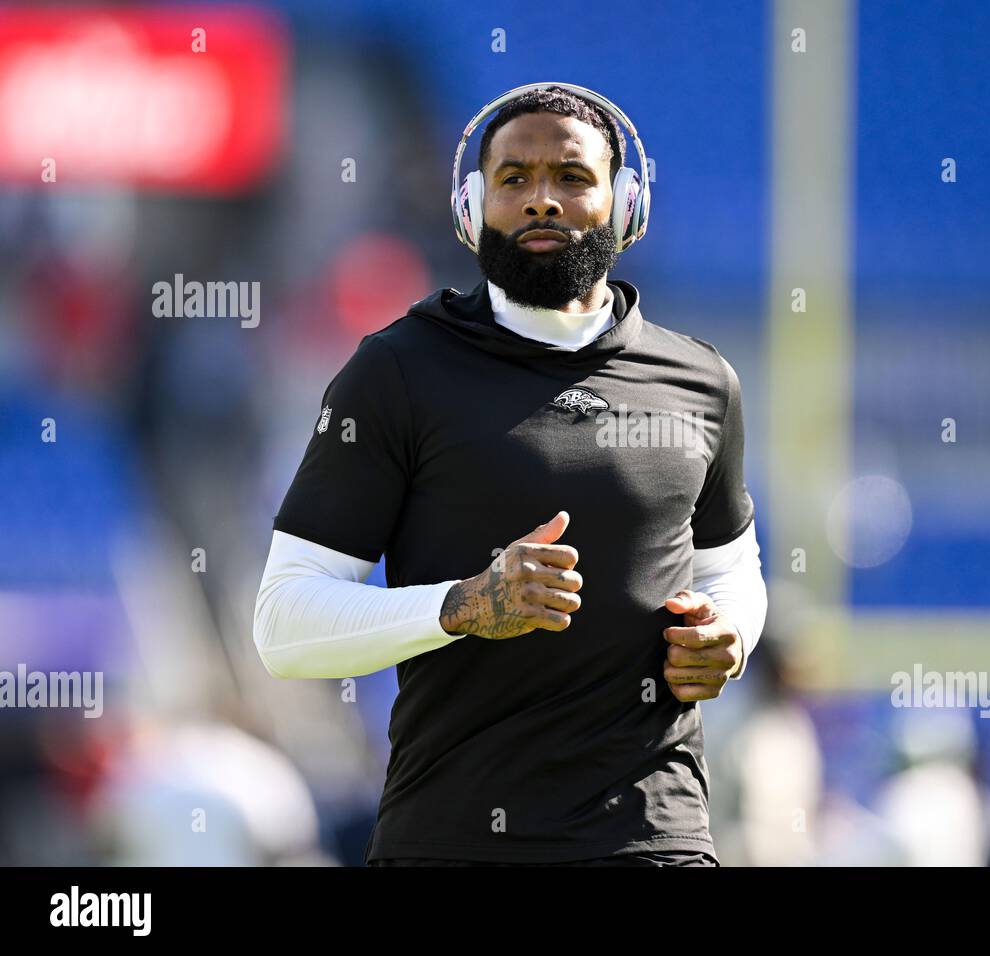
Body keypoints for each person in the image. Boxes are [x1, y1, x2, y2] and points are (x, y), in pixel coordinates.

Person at [252, 83, 767, 866]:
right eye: (514, 179)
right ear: (471, 206)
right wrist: (464, 606)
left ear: (626, 203)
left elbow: (732, 572)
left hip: (651, 841)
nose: (541, 202)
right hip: (453, 839)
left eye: (571, 177)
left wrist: (728, 637)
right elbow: (284, 626)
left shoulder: (701, 380)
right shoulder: (397, 373)